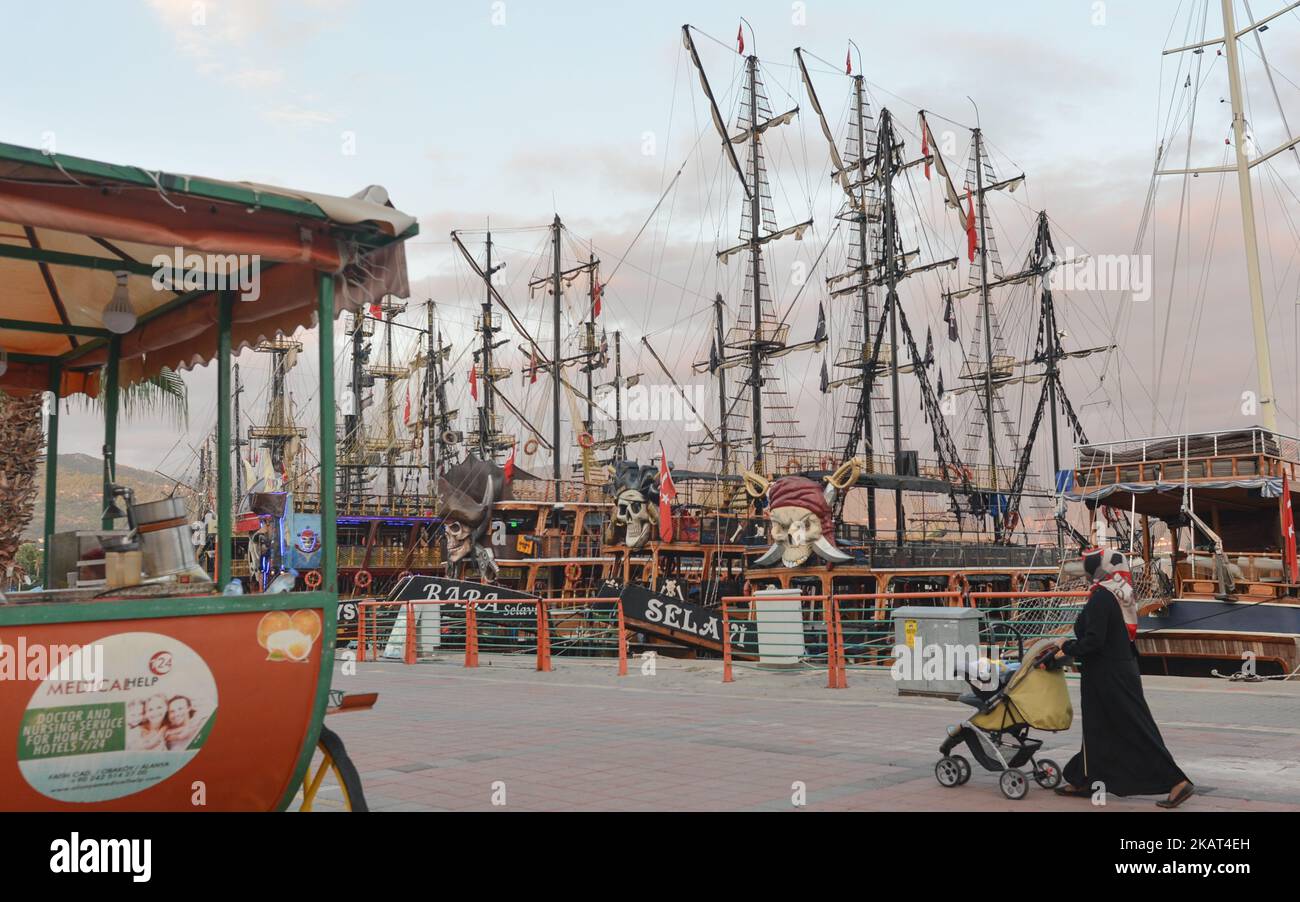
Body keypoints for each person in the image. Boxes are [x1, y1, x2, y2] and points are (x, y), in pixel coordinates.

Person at [1051, 546, 1194, 808]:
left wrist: (1066, 646)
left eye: (1088, 567)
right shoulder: (1121, 591)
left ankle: (1176, 781)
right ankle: (1085, 779)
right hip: (1119, 669)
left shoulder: (1102, 597)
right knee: (1099, 729)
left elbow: (1094, 641)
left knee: (1133, 728)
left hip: (1107, 675)